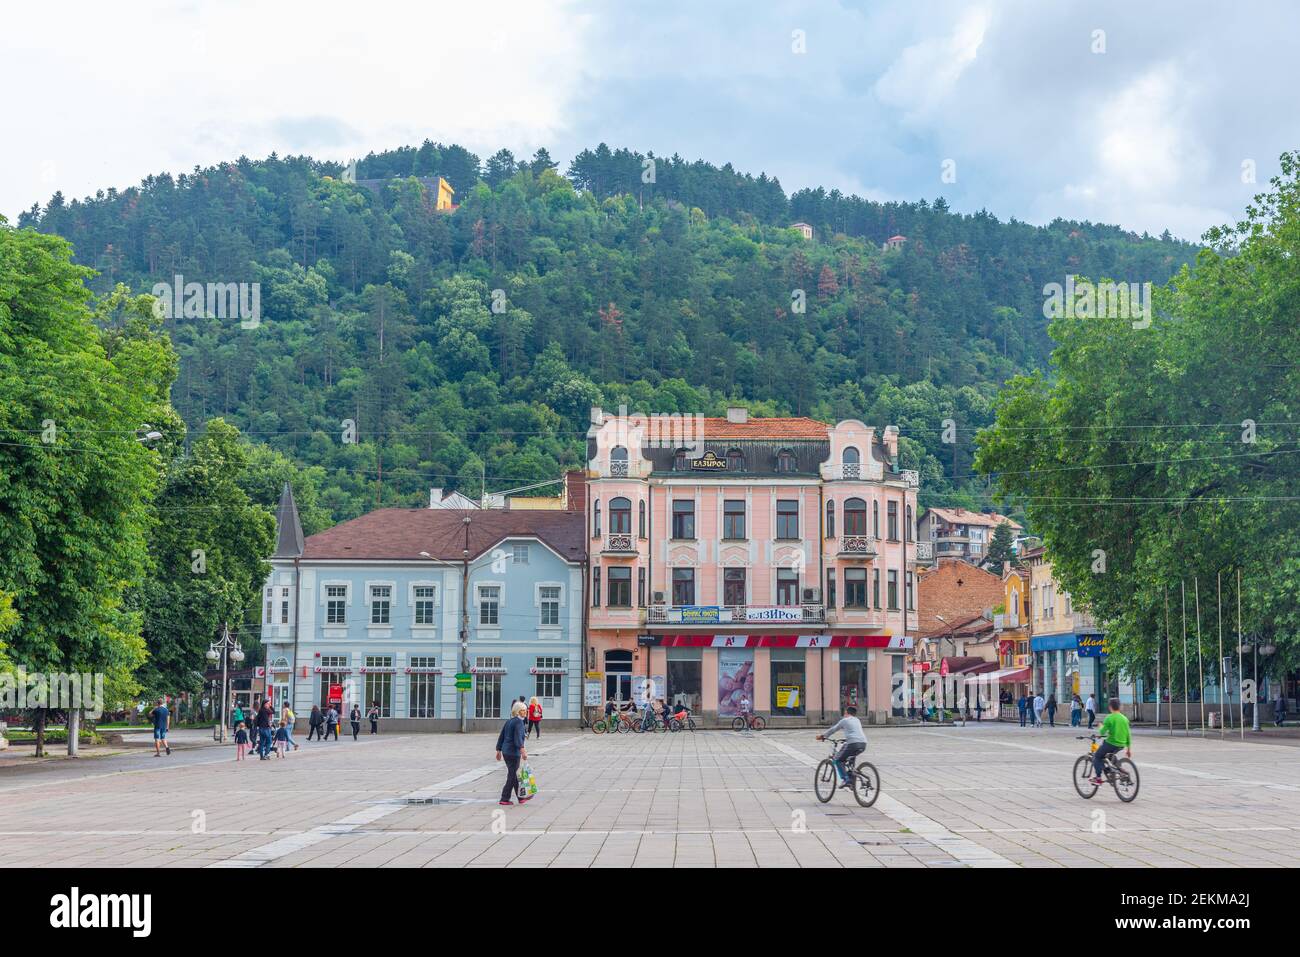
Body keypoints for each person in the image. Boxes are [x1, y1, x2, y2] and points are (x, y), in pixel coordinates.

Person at [816, 705, 867, 785]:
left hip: (853, 743)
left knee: (837, 760)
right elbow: (854, 732)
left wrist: (823, 736)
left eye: (844, 713)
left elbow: (833, 729)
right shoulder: (857, 720)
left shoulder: (845, 720)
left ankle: (846, 779)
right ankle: (851, 775)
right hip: (863, 743)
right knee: (849, 757)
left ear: (846, 713)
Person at [495, 700, 531, 806]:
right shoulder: (519, 722)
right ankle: (504, 798)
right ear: (517, 712)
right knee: (512, 775)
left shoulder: (509, 721)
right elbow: (518, 739)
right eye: (523, 711)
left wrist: (498, 750)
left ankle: (521, 797)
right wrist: (523, 751)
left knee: (514, 774)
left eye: (525, 710)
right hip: (513, 752)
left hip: (506, 752)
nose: (525, 712)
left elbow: (501, 736)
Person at [1092, 697, 1132, 784]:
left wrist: (1100, 726)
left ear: (1110, 707)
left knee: (1097, 757)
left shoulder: (1109, 718)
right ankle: (1121, 772)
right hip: (1121, 744)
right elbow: (1128, 734)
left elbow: (1102, 731)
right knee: (1110, 757)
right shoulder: (1124, 719)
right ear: (1120, 707)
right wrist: (1128, 749)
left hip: (1111, 743)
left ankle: (1098, 778)